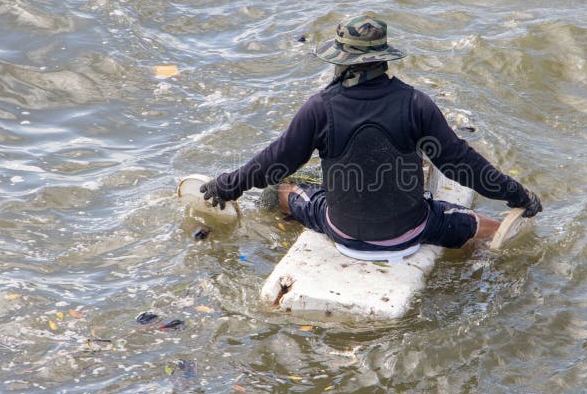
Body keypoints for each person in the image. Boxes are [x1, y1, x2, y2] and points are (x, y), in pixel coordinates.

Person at [200, 14, 542, 259]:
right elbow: (461, 164)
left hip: (342, 232)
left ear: (341, 62)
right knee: (494, 229)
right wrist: (518, 195)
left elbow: (274, 161)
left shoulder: (319, 108)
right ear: (382, 60)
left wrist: (227, 185)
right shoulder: (415, 103)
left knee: (286, 191)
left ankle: (282, 229)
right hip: (411, 232)